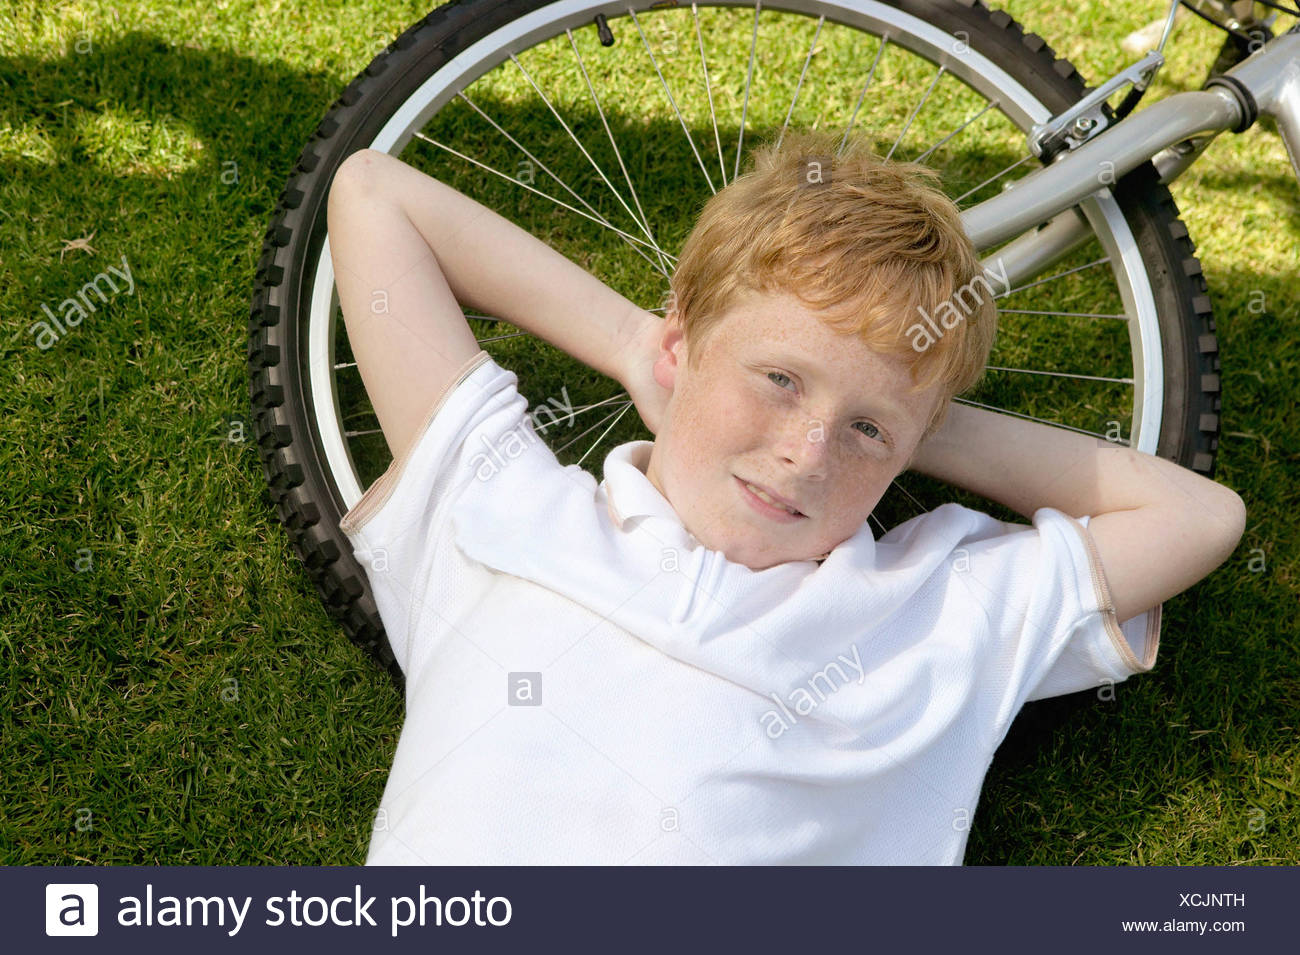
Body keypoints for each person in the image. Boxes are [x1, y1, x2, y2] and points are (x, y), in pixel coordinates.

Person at [326, 128, 1245, 864]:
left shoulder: (929, 616)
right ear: (686, 347)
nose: (807, 455)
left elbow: (1201, 518)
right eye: (778, 379)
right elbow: (373, 194)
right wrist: (640, 346)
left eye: (864, 434)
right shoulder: (500, 508)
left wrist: (916, 408)